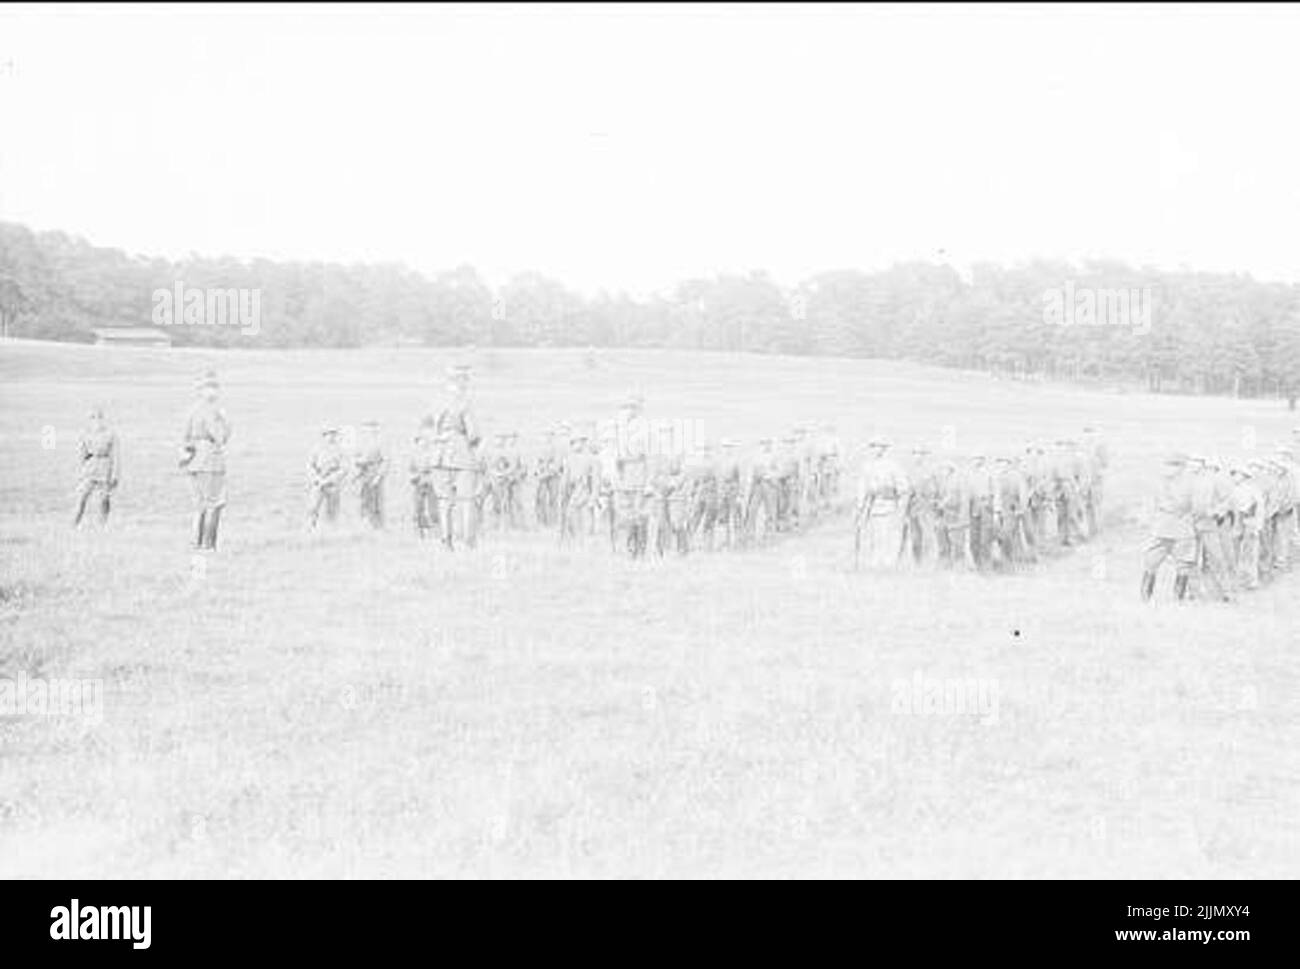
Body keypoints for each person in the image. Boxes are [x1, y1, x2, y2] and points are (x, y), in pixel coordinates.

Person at [180, 370, 231, 550]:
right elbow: (221, 437)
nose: (214, 391)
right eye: (211, 387)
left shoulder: (192, 410)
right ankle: (208, 546)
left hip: (194, 461)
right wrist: (224, 420)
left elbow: (185, 439)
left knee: (200, 505)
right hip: (210, 461)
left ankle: (197, 545)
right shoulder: (212, 411)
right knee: (214, 504)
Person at [1140, 452, 1196, 601]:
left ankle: (1177, 600)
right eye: (1169, 465)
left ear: (1182, 467)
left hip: (1178, 530)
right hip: (1166, 530)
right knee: (1151, 563)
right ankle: (1145, 599)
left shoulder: (1188, 484)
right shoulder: (1162, 483)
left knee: (1182, 566)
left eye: (1174, 465)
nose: (1170, 469)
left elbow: (1183, 506)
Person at [73, 406, 119, 528]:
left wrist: (115, 475)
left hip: (105, 468)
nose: (96, 420)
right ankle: (73, 524)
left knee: (104, 499)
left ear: (103, 418)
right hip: (90, 468)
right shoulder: (85, 434)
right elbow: (81, 455)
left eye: (99, 416)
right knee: (81, 497)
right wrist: (81, 472)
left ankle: (102, 525)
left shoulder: (111, 434)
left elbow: (116, 455)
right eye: (93, 417)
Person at [307, 425, 348, 529]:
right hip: (318, 482)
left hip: (332, 484)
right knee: (313, 507)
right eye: (328, 434)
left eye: (333, 434)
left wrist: (329, 480)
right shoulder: (317, 449)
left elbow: (344, 469)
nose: (331, 437)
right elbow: (310, 465)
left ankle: (331, 530)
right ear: (324, 436)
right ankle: (311, 528)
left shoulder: (340, 451)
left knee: (332, 509)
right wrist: (317, 478)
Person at [354, 420, 387, 529]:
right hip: (363, 474)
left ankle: (377, 526)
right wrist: (358, 465)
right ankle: (363, 524)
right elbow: (354, 458)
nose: (370, 431)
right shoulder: (360, 443)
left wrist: (378, 476)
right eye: (367, 428)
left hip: (375, 473)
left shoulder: (381, 443)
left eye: (373, 428)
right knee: (363, 500)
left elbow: (385, 461)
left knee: (376, 501)